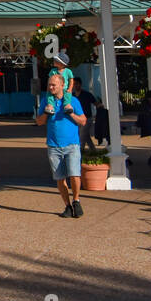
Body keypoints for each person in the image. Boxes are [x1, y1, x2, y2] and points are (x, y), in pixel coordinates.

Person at [36, 69, 87, 218]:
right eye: (49, 85)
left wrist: (70, 113)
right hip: (53, 145)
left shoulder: (72, 101)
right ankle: (67, 206)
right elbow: (39, 122)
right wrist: (45, 113)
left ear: (62, 85)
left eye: (53, 85)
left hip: (72, 144)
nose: (50, 88)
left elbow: (83, 121)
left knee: (74, 174)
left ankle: (76, 200)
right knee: (60, 178)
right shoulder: (46, 101)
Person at [71, 77, 99, 152]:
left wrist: (100, 109)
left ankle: (80, 152)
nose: (75, 86)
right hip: (76, 119)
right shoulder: (72, 96)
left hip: (87, 119)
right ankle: (94, 151)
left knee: (81, 137)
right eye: (74, 84)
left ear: (80, 84)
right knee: (86, 136)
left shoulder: (87, 94)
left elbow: (96, 104)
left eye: (77, 84)